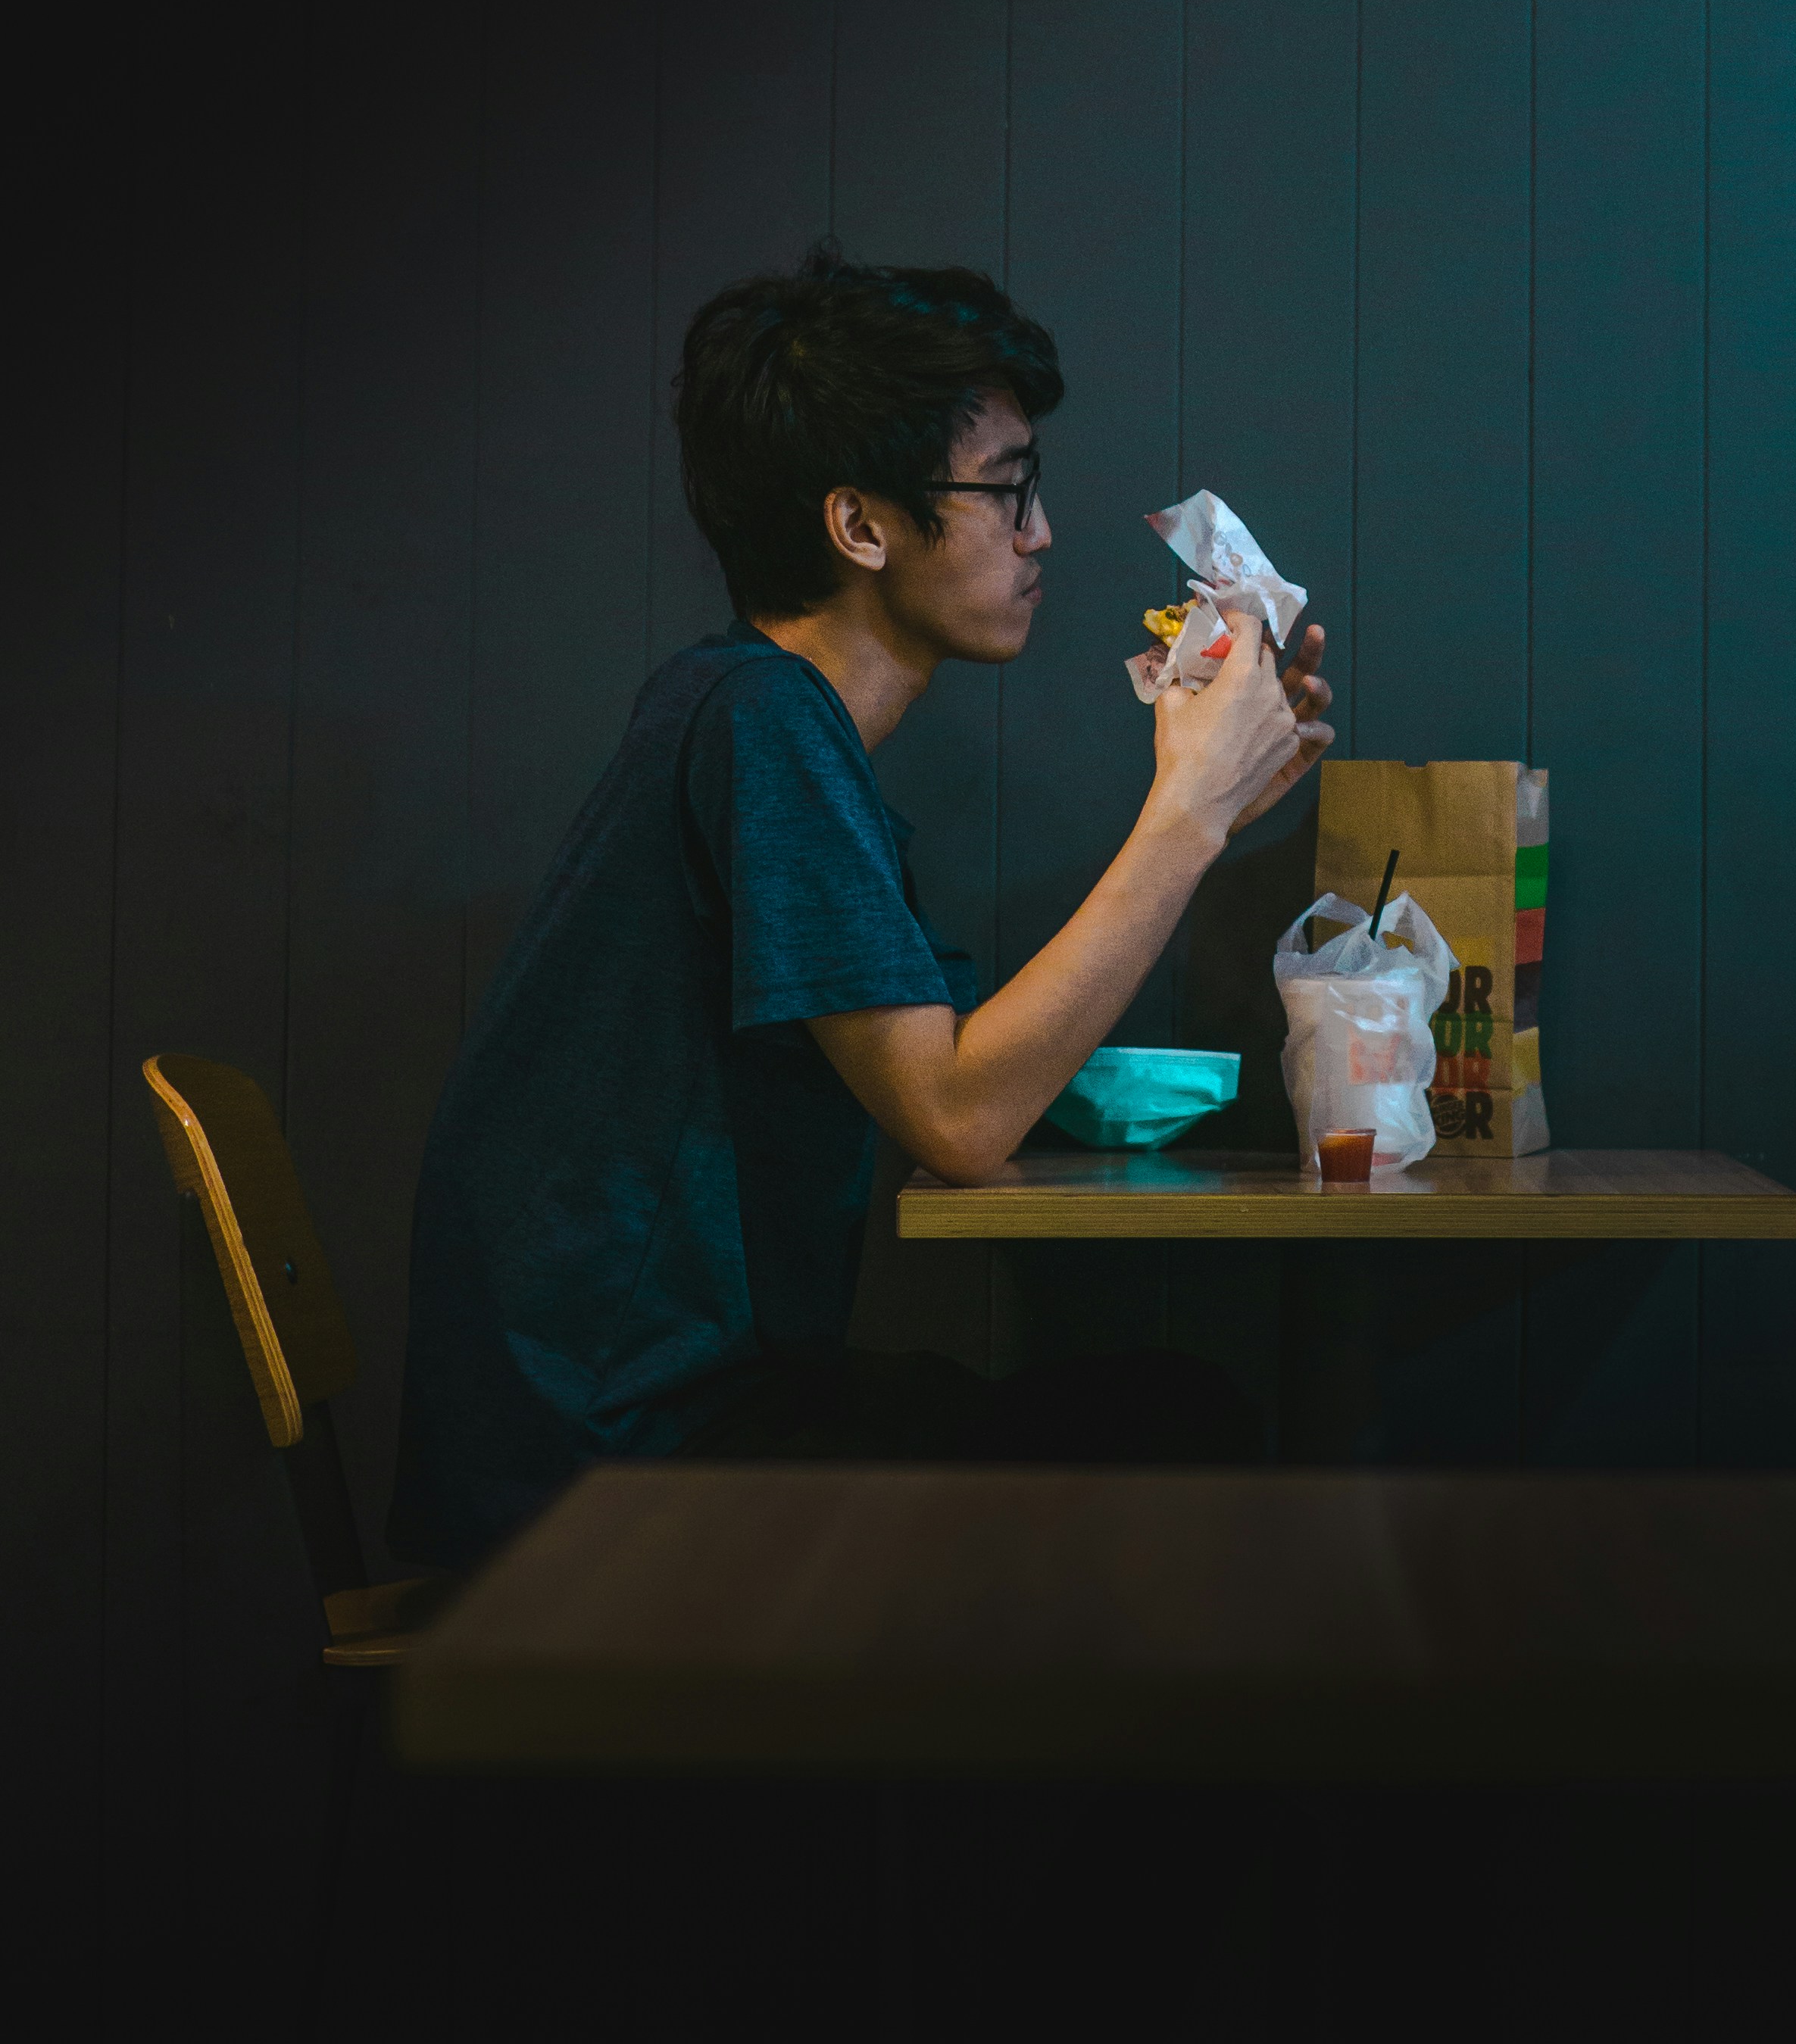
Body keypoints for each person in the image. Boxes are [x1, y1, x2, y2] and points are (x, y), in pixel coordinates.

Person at [389, 243, 1329, 1568]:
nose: (1039, 532)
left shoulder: (759, 724)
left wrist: (1220, 801)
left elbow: (961, 1079)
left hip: (631, 1429)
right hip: (609, 1472)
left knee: (1174, 1417)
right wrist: (1181, 819)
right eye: (1006, 493)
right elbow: (959, 1119)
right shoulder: (763, 723)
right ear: (861, 526)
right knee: (1182, 1435)